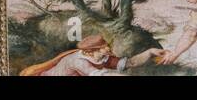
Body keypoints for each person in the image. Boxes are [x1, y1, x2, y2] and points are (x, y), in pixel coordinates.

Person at [20, 34, 158, 75]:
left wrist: (150, 51)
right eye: (104, 46)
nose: (108, 48)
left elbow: (130, 63)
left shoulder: (103, 57)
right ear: (93, 50)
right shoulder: (77, 60)